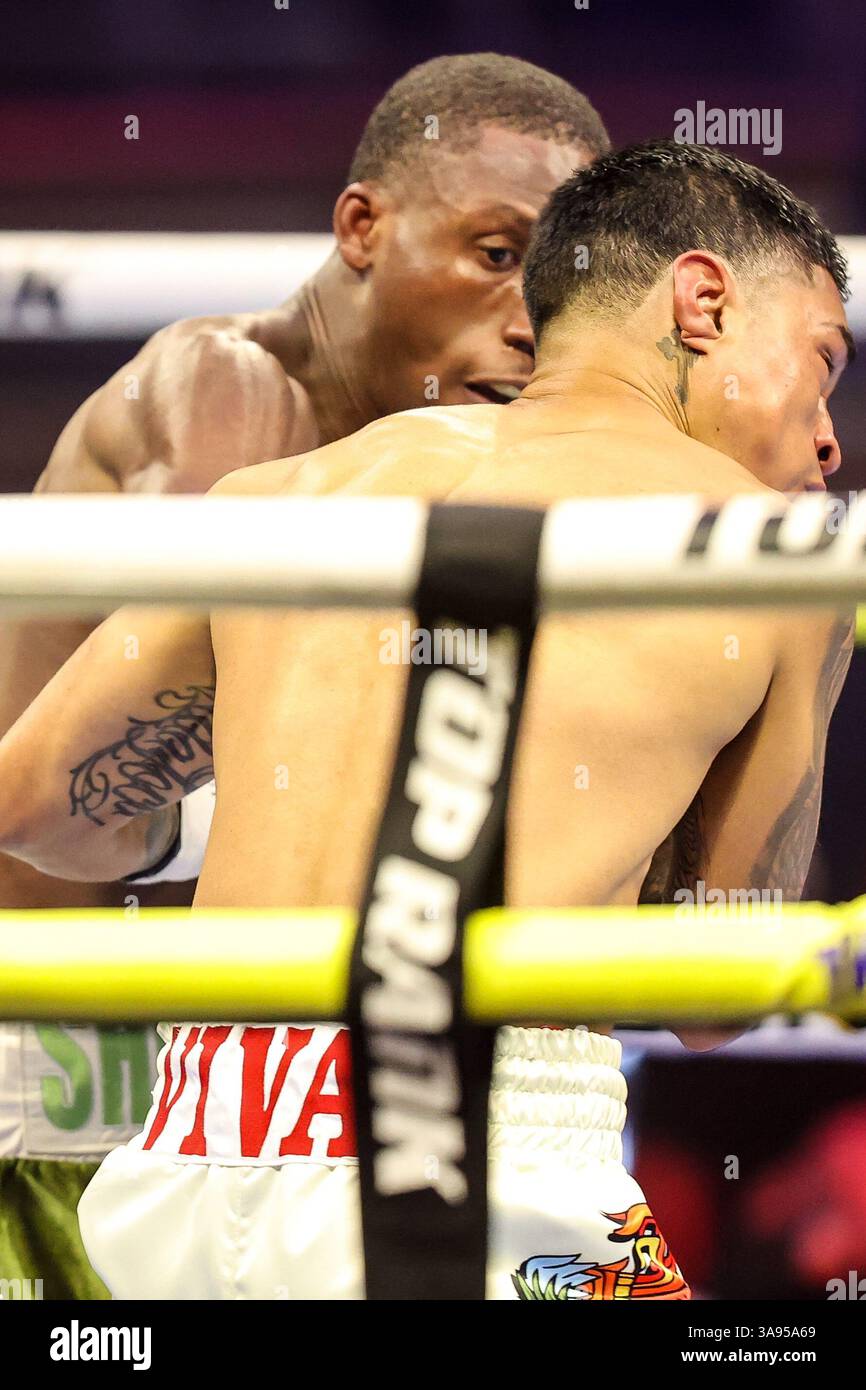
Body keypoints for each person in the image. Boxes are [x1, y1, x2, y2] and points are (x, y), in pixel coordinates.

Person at [0, 139, 853, 1300]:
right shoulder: (765, 553)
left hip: (184, 1159)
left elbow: (40, 802)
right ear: (701, 302)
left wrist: (251, 806)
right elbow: (708, 997)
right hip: (474, 1143)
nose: (826, 439)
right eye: (820, 364)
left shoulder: (287, 496)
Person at [0, 53, 609, 1299]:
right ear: (361, 227)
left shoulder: (429, 471)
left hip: (223, 1100)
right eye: (496, 253)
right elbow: (73, 797)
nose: (529, 317)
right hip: (51, 1076)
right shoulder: (230, 397)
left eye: (557, 280)